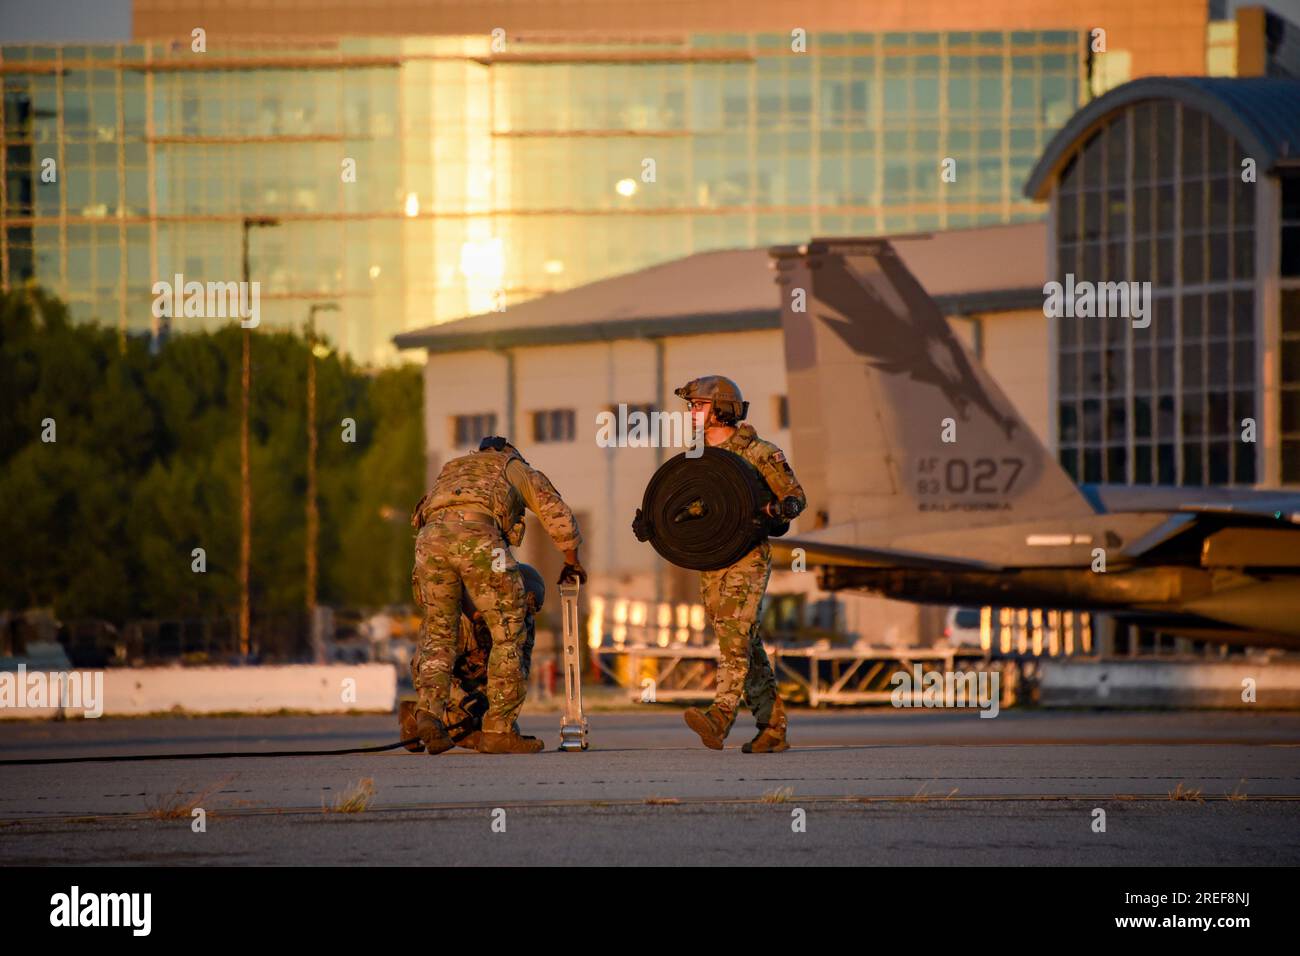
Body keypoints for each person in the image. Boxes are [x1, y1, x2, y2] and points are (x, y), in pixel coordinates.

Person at [643, 376, 805, 753]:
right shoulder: (699, 456)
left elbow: (796, 498)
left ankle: (721, 715)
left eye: (699, 406)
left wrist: (778, 510)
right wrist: (656, 522)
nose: (692, 413)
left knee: (734, 636)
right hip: (712, 559)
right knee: (743, 640)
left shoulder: (759, 451)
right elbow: (697, 508)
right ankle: (772, 727)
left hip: (747, 556)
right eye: (692, 407)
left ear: (722, 410)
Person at [409, 436, 584, 755]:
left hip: (428, 540)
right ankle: (498, 730)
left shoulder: (452, 468)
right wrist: (572, 561)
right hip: (479, 537)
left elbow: (419, 516)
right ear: (509, 452)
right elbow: (554, 510)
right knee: (510, 634)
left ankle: (429, 712)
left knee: (438, 635)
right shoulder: (512, 467)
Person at [399, 563, 546, 752]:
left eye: (527, 608)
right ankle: (416, 716)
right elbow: (430, 666)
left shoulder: (524, 624)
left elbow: (520, 668)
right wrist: (464, 701)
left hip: (479, 682)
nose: (521, 613)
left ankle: (465, 723)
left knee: (495, 731)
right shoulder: (462, 619)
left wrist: (500, 709)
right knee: (465, 727)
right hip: (443, 682)